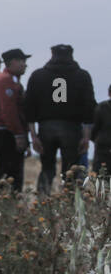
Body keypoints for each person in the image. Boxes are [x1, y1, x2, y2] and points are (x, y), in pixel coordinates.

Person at [22, 44, 96, 195]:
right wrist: (86, 137)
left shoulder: (38, 76)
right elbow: (89, 108)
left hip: (46, 127)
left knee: (47, 168)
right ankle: (69, 205)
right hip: (71, 128)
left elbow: (28, 107)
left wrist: (33, 136)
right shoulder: (82, 76)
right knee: (71, 170)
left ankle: (42, 202)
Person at [0, 48, 31, 193]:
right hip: (5, 133)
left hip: (6, 132)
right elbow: (9, 111)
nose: (25, 65)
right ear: (13, 62)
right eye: (22, 62)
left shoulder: (11, 81)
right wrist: (19, 134)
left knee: (8, 173)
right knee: (7, 173)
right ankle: (2, 205)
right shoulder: (5, 81)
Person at [92, 84, 111, 178]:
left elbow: (95, 128)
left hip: (103, 146)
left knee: (100, 175)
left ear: (109, 93)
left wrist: (93, 139)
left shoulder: (102, 107)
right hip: (103, 145)